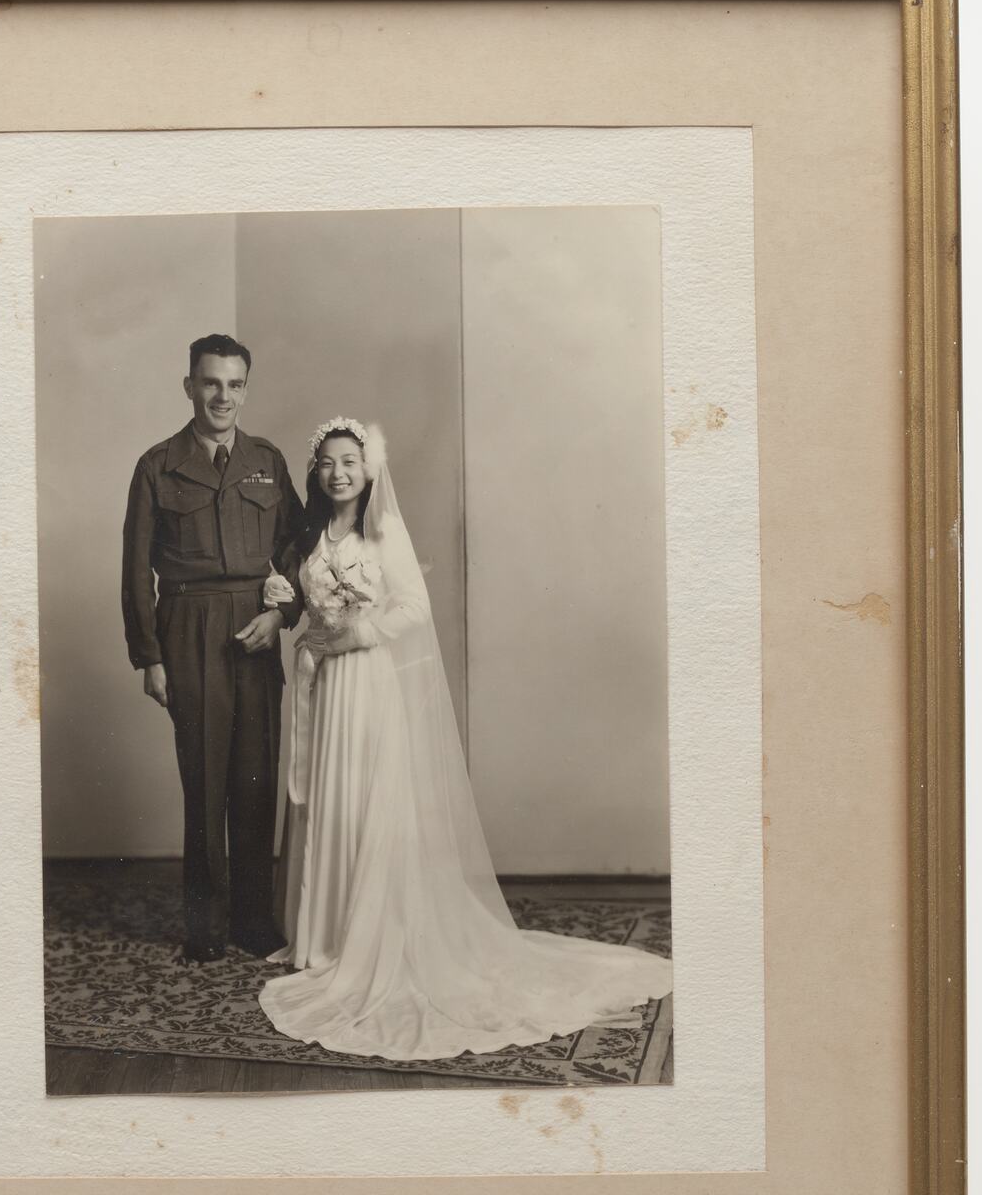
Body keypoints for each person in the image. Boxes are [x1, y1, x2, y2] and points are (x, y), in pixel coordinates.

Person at [257, 417, 673, 1061]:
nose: (338, 473)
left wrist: (356, 633)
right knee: (327, 804)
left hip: (366, 682)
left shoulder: (383, 531)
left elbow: (412, 608)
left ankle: (366, 943)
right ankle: (325, 940)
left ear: (368, 471)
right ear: (315, 473)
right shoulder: (310, 534)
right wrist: (288, 598)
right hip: (324, 686)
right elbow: (301, 599)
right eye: (326, 463)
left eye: (349, 462)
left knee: (367, 804)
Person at [121, 334, 304, 964]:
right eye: (210, 383)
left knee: (255, 776)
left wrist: (281, 615)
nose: (222, 396)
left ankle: (253, 922)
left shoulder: (268, 461)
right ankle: (204, 927)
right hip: (188, 625)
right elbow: (134, 569)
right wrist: (149, 656)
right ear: (189, 386)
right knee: (203, 781)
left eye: (235, 384)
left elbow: (298, 549)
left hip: (255, 628)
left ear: (246, 388)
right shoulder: (157, 465)